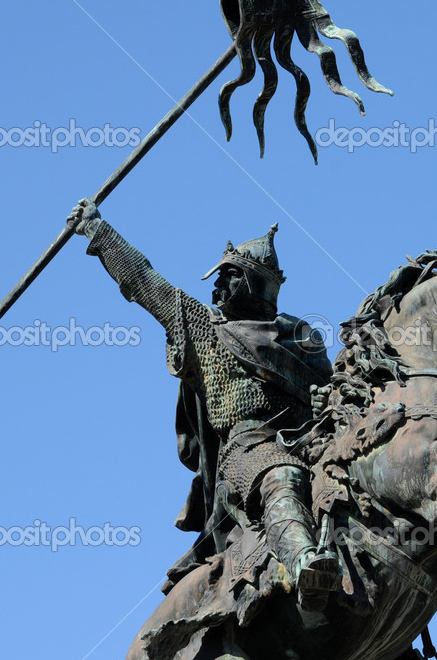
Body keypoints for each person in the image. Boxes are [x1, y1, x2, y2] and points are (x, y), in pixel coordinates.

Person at [68, 199, 340, 611]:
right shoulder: (203, 328)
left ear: (253, 283)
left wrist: (326, 400)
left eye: (228, 278)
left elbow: (331, 390)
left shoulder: (301, 335)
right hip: (249, 450)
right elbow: (143, 280)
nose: (216, 288)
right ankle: (305, 563)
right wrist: (99, 231)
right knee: (279, 475)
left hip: (310, 441)